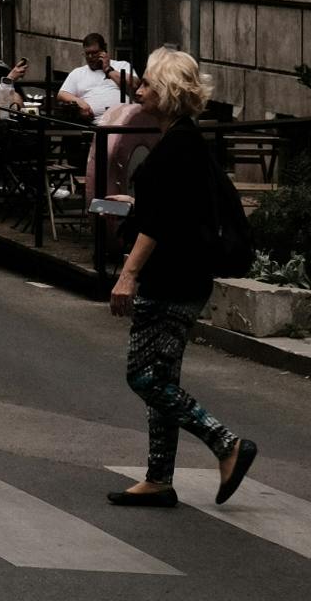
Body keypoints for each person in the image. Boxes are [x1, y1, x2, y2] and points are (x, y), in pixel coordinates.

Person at [106, 46, 256, 510]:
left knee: (143, 376)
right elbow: (171, 210)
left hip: (171, 278)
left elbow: (163, 221)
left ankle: (225, 443)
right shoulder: (184, 140)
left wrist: (127, 275)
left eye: (148, 83)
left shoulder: (179, 147)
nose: (140, 88)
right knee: (163, 378)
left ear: (167, 93)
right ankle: (158, 478)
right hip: (185, 275)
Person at [57, 33, 134, 120]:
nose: (90, 57)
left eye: (94, 53)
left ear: (104, 51)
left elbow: (134, 85)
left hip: (125, 121)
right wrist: (79, 102)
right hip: (96, 123)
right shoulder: (78, 73)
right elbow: (62, 94)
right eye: (87, 53)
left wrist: (109, 70)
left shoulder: (122, 65)